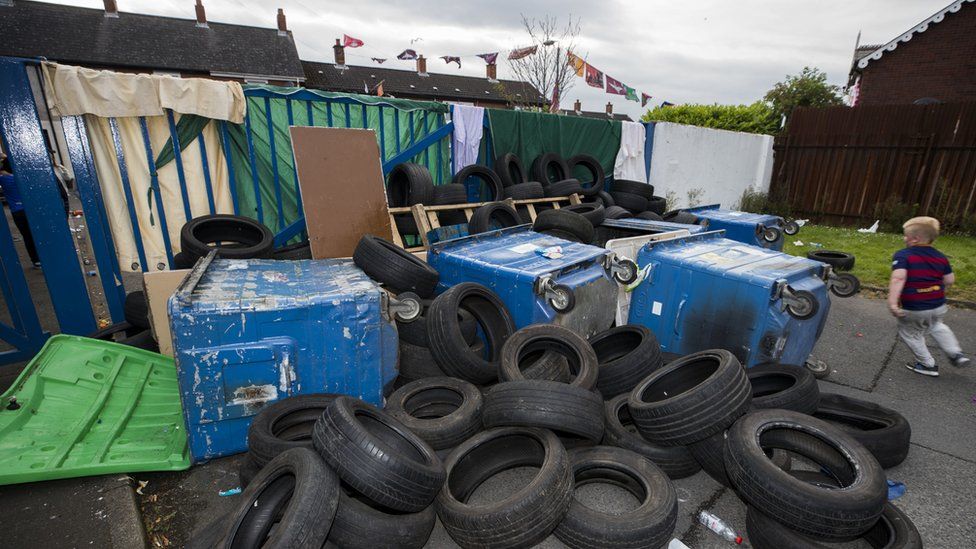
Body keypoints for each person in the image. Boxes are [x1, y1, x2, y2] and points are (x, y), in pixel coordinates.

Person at [888, 216, 970, 376]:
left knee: (910, 333)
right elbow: (949, 280)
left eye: (906, 236)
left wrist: (892, 303)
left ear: (915, 239)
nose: (904, 238)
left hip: (914, 306)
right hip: (938, 304)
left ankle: (927, 364)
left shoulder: (903, 255)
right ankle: (956, 354)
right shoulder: (940, 256)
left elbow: (898, 278)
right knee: (937, 325)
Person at [0, 153, 41, 267]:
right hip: (29, 209)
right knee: (36, 233)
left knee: (26, 236)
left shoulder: (3, 179)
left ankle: (35, 260)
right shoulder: (21, 178)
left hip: (17, 211)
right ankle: (42, 254)